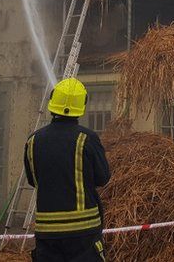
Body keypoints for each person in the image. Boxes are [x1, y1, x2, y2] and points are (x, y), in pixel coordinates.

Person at [24, 77, 111, 262]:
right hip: (83, 235)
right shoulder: (86, 139)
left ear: (52, 101)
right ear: (83, 104)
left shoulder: (33, 141)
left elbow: (33, 180)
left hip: (47, 235)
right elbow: (103, 177)